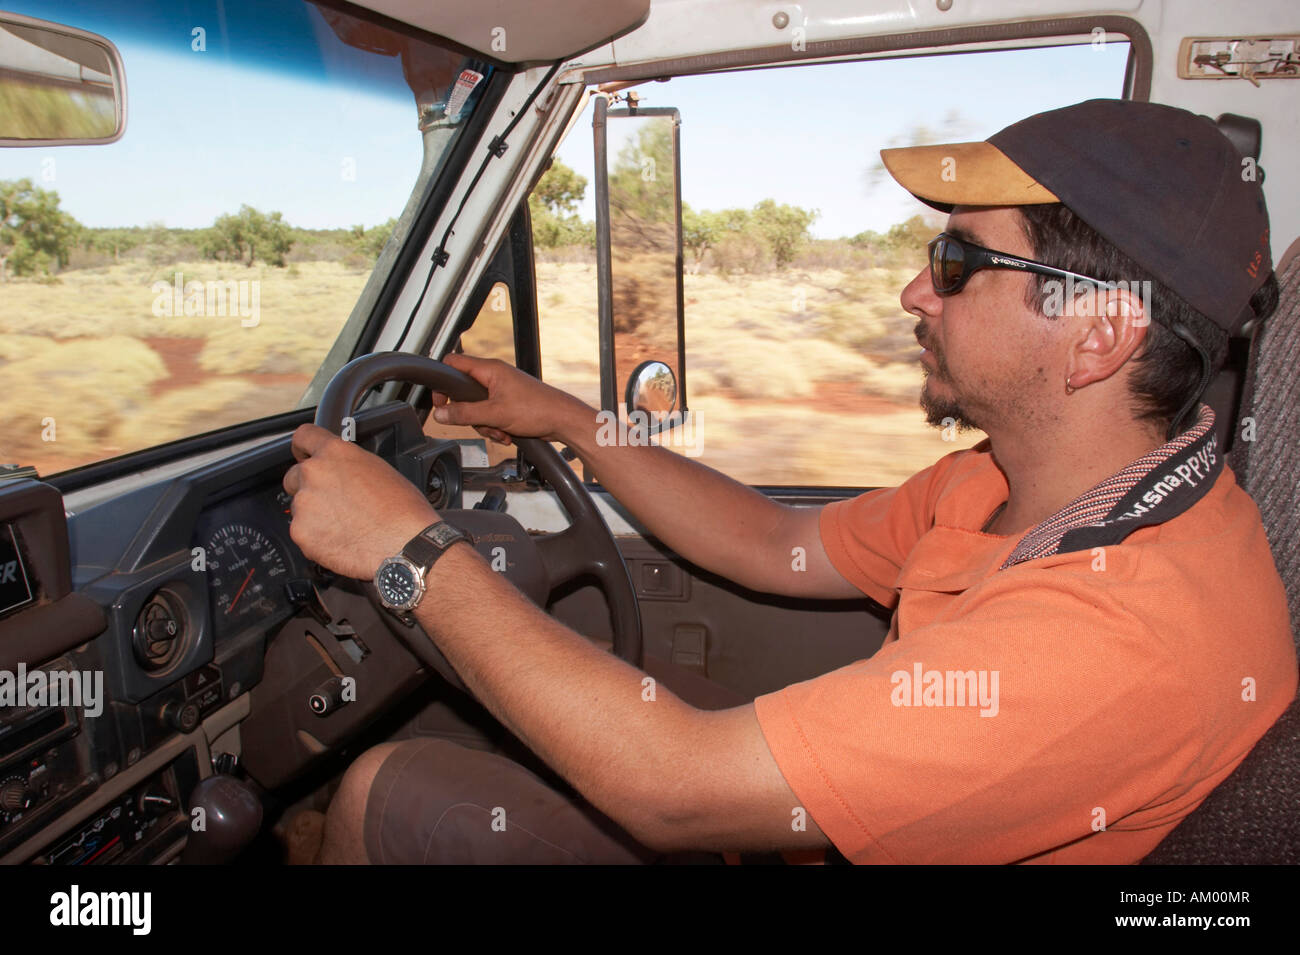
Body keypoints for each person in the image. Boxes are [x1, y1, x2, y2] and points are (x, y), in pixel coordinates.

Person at [282, 99, 1297, 864]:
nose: (913, 290)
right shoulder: (1008, 484)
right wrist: (566, 418)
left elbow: (672, 788)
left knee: (386, 790)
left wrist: (410, 549)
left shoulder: (1117, 640)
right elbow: (776, 542)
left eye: (958, 261)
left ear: (1096, 332)